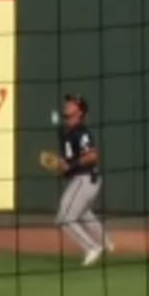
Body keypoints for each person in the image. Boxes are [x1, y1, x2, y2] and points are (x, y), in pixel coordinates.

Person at [54, 93, 114, 267]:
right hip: (83, 180)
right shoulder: (67, 132)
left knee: (64, 218)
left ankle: (92, 248)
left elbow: (92, 156)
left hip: (85, 179)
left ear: (80, 112)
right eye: (68, 102)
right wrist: (62, 168)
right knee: (82, 213)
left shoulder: (81, 132)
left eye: (73, 103)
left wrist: (70, 166)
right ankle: (106, 243)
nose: (68, 104)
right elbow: (68, 163)